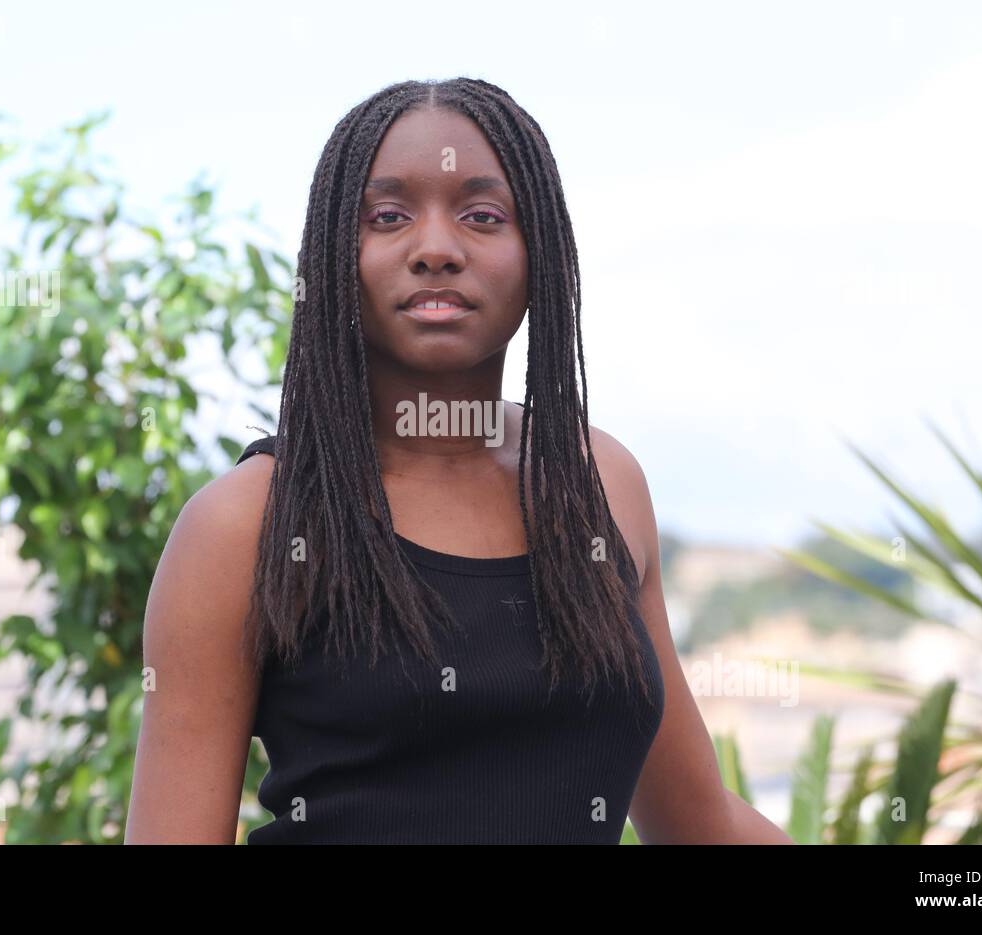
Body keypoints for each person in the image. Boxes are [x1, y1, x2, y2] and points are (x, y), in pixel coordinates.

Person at [124, 77, 793, 844]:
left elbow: (698, 822)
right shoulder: (245, 524)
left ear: (540, 253)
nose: (436, 249)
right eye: (388, 216)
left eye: (482, 216)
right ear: (336, 255)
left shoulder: (599, 484)